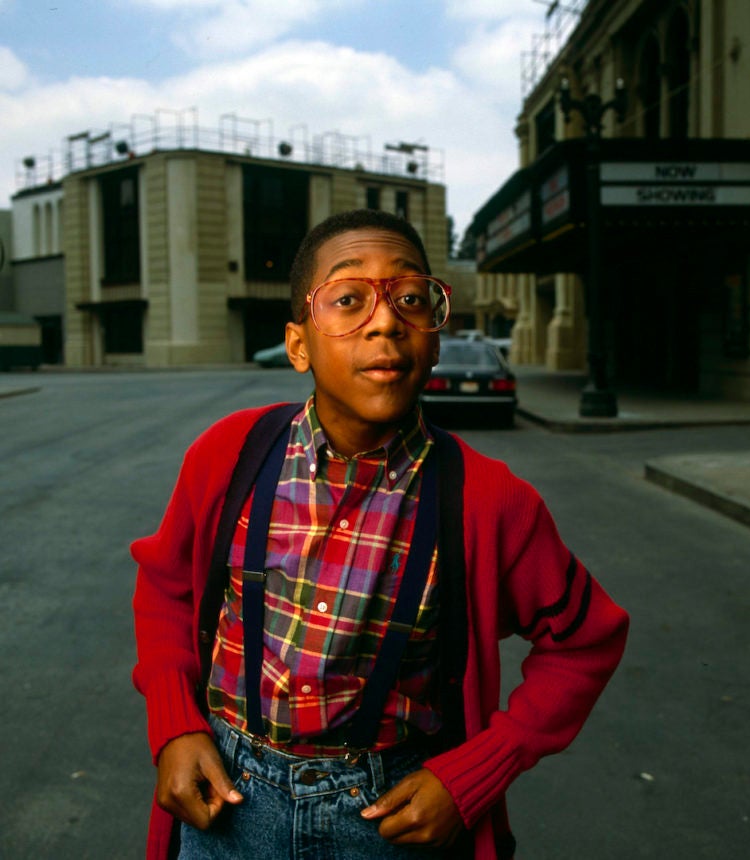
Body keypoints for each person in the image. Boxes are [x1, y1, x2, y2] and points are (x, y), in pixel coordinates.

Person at [132, 208, 629, 860]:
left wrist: (474, 775)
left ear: (432, 332)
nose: (387, 320)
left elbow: (586, 641)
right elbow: (166, 588)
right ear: (299, 343)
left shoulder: (492, 502)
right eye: (348, 299)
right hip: (229, 801)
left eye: (411, 298)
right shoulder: (228, 455)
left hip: (392, 818)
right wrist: (174, 728)